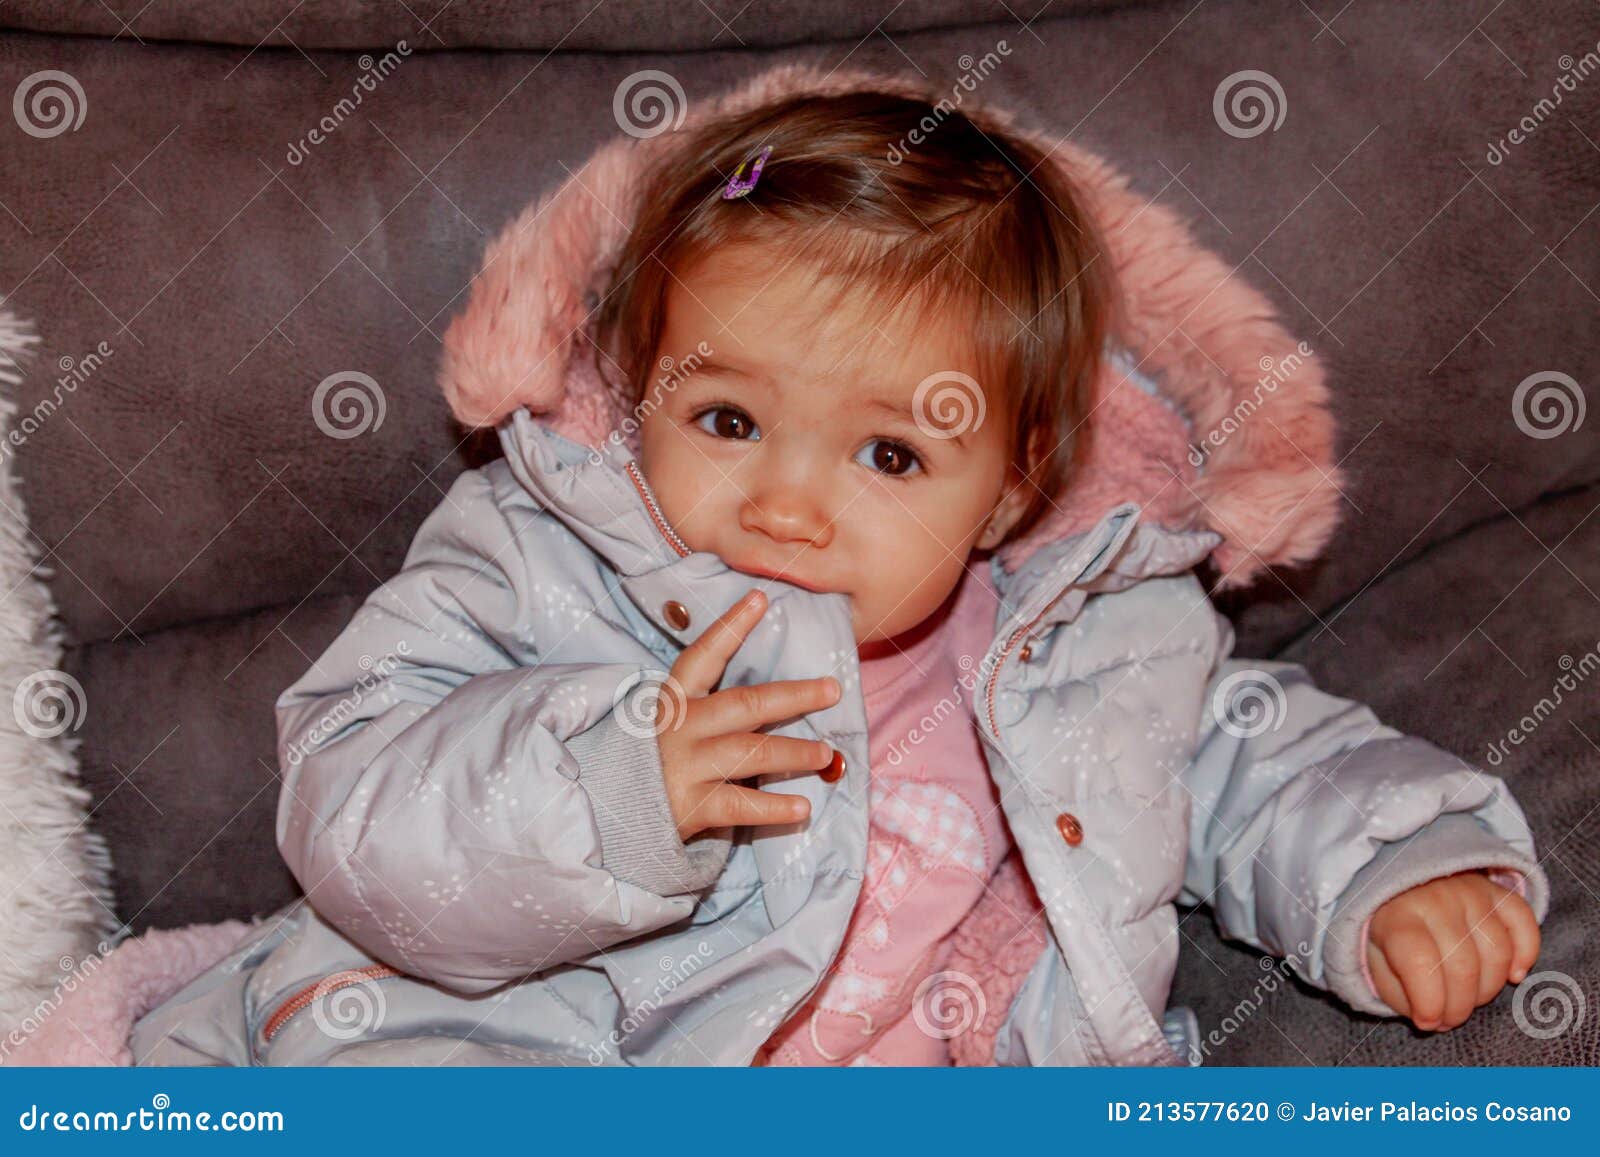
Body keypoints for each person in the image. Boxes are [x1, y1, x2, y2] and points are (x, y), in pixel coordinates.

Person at [130, 64, 1545, 1068]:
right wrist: (610, 791)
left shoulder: (1091, 641)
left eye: (891, 455)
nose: (788, 506)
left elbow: (1252, 762)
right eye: (729, 419)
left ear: (1014, 485)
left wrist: (1399, 869)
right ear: (636, 393)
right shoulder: (543, 556)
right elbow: (352, 796)